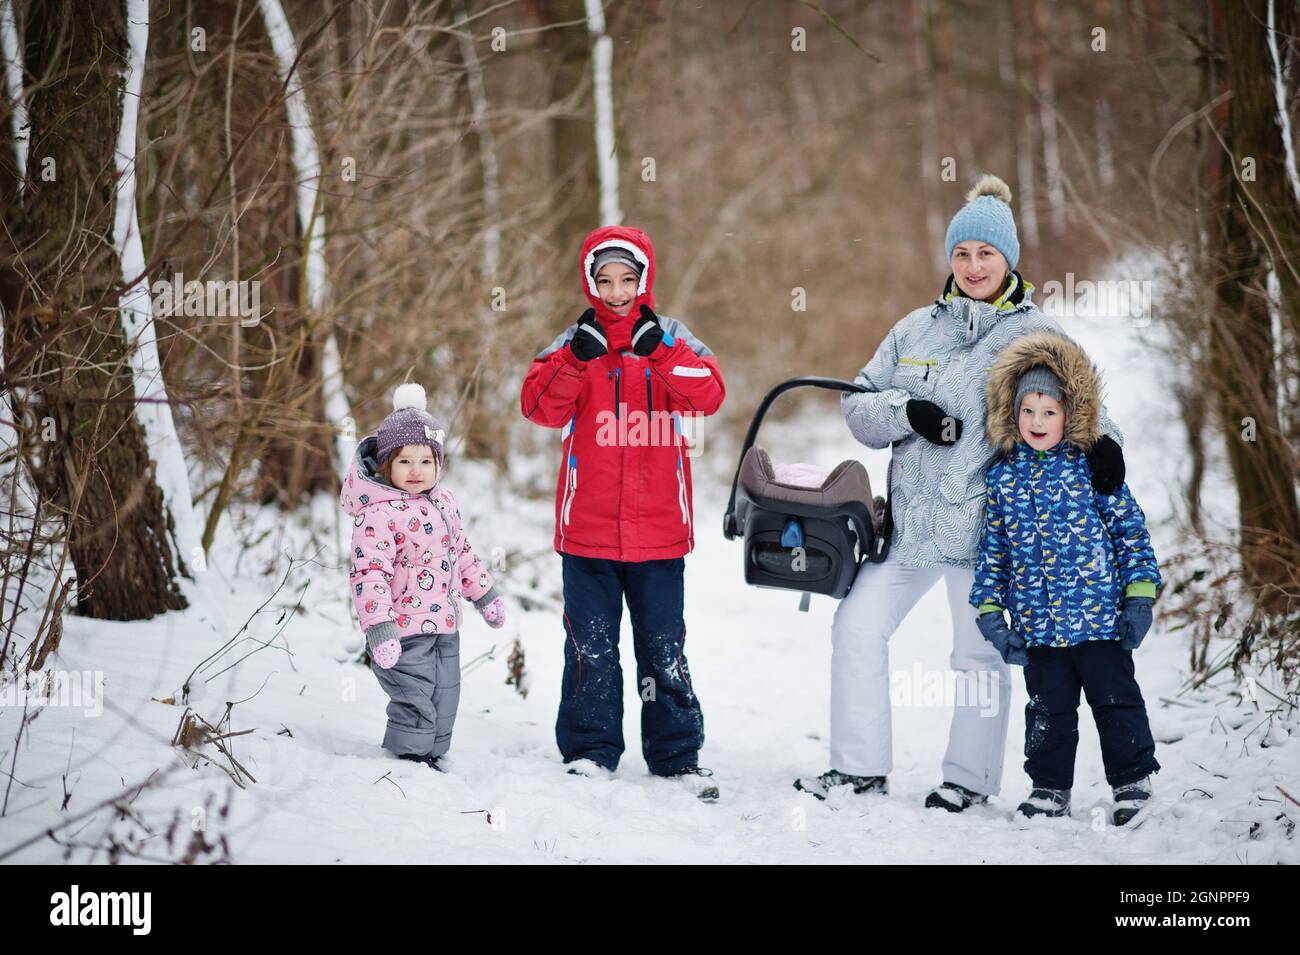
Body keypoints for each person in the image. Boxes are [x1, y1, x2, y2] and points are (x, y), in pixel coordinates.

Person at [795, 173, 1129, 810]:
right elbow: (858, 405)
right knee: (857, 627)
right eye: (962, 254)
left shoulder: (1040, 337)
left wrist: (1105, 443)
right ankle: (860, 768)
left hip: (986, 532)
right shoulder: (916, 329)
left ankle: (968, 782)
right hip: (909, 530)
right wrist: (906, 413)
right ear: (950, 259)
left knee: (976, 657)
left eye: (986, 254)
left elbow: (1086, 403)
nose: (973, 266)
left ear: (1009, 260)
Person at [519, 225, 725, 801]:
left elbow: (708, 394)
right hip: (587, 533)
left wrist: (659, 350)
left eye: (626, 279)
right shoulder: (573, 341)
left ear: (644, 280)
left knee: (663, 647)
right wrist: (571, 361)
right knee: (591, 645)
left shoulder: (674, 338)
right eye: (604, 280)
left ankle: (676, 754)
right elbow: (536, 407)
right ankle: (589, 749)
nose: (615, 292)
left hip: (660, 532)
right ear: (590, 282)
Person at [972, 330, 1161, 825]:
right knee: (1047, 711)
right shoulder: (1002, 477)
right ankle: (1049, 788)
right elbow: (993, 553)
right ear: (1012, 413)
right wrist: (991, 614)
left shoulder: (1091, 468)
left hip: (1100, 620)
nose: (1036, 421)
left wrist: (1139, 598)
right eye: (1027, 410)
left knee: (1115, 702)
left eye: (1049, 411)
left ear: (1069, 415)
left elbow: (1131, 534)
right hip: (1038, 626)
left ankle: (1132, 783)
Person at [340, 384, 506, 770]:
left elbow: (462, 553)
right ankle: (408, 762)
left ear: (438, 464)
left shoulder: (443, 502)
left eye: (426, 462)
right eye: (404, 462)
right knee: (414, 699)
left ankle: (432, 756)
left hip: (445, 626)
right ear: (386, 465)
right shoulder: (377, 514)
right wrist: (379, 628)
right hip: (403, 630)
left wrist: (485, 595)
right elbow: (370, 574)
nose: (416, 471)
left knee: (445, 698)